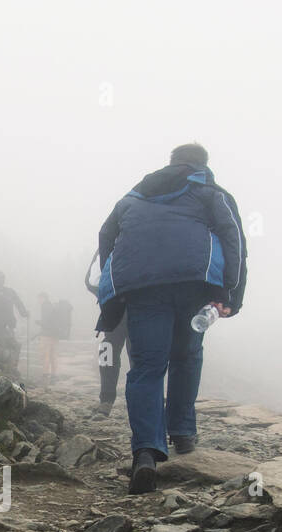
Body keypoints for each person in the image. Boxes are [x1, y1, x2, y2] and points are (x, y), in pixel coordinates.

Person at [94, 142, 247, 494]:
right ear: (202, 164)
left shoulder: (133, 196)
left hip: (143, 288)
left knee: (147, 366)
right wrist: (230, 294)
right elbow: (234, 239)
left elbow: (106, 235)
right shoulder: (210, 192)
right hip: (195, 284)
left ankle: (145, 453)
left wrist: (116, 279)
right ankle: (182, 432)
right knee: (186, 355)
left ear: (171, 162)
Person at [85, 250, 128, 416]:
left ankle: (106, 401)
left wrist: (107, 296)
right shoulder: (148, 238)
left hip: (113, 311)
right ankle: (143, 404)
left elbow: (91, 281)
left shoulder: (108, 242)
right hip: (142, 310)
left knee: (107, 352)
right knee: (139, 358)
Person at [36, 293, 68, 384]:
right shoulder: (53, 307)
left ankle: (45, 375)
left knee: (45, 355)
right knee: (53, 355)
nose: (38, 301)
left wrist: (39, 322)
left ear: (43, 298)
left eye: (39, 299)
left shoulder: (45, 306)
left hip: (46, 335)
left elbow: (46, 320)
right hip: (55, 335)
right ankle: (54, 375)